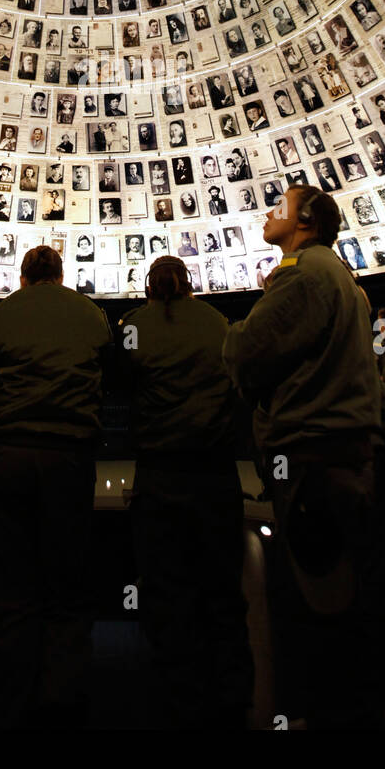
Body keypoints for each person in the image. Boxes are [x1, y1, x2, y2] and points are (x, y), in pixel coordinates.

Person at [223, 186, 385, 729]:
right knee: (343, 594)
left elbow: (245, 352)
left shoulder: (304, 275)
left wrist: (233, 331)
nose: (267, 214)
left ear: (306, 224)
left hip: (313, 457)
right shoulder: (332, 273)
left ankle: (338, 716)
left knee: (320, 599)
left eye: (280, 207)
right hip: (341, 454)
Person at [0, 245, 112, 729]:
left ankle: (9, 701)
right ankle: (64, 701)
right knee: (67, 581)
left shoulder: (1, 314)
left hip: (6, 454)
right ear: (61, 275)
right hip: (69, 455)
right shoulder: (90, 313)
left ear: (24, 277)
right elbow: (106, 376)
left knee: (7, 582)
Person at [115, 256, 253, 728]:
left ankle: (181, 703)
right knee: (223, 592)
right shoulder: (218, 322)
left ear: (149, 287)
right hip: (216, 475)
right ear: (191, 284)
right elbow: (239, 385)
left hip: (161, 475)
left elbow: (120, 383)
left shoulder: (135, 325)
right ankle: (234, 702)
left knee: (167, 594)